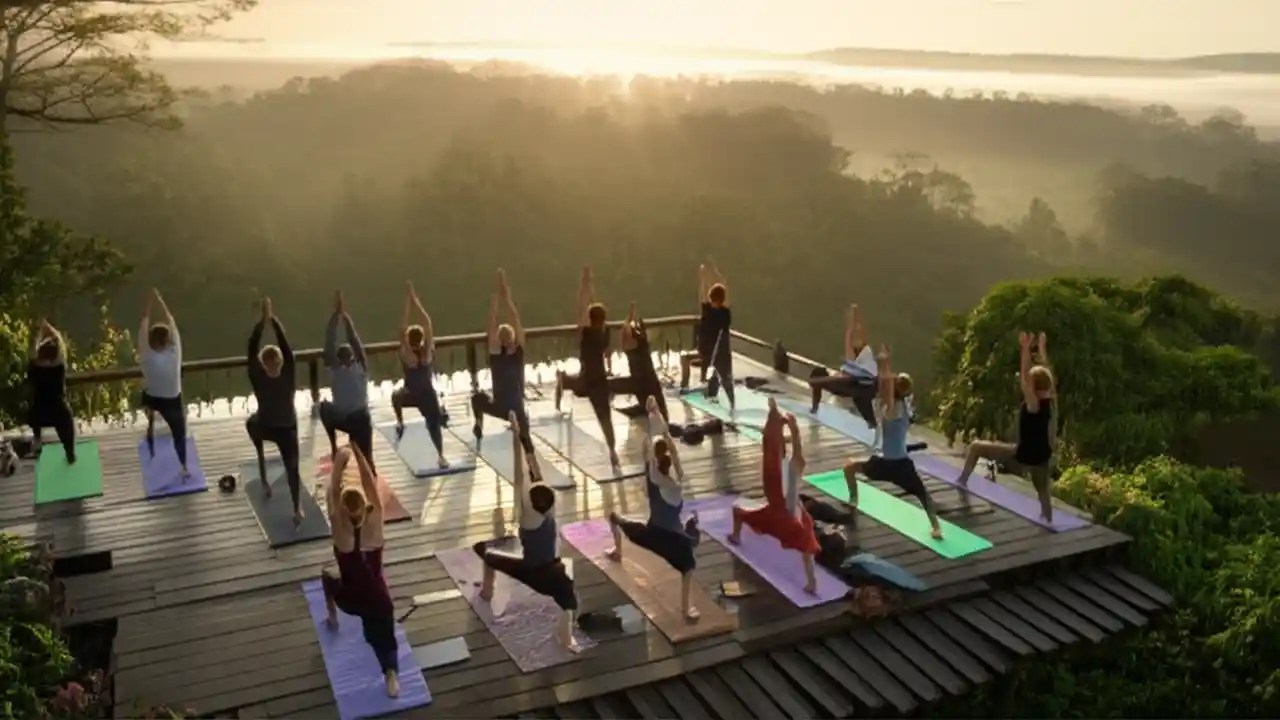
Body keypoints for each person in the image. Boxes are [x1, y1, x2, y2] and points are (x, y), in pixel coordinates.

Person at [474, 412, 580, 650]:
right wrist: (522, 435)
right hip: (554, 575)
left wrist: (515, 436)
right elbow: (535, 476)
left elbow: (519, 473)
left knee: (489, 556)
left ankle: (487, 591)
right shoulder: (550, 508)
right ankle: (566, 639)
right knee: (569, 602)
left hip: (530, 571)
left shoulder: (526, 515)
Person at [606, 396, 700, 620]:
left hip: (653, 534)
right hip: (675, 540)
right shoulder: (677, 483)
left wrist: (652, 417)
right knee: (688, 569)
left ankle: (617, 550)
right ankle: (687, 608)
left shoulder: (653, 477)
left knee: (614, 517)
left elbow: (646, 450)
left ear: (656, 462)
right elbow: (674, 457)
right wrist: (663, 429)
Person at [321, 442, 400, 698]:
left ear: (343, 510)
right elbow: (368, 480)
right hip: (378, 600)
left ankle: (332, 615)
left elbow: (333, 490)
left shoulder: (338, 527)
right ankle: (391, 676)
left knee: (327, 577)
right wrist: (359, 451)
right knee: (382, 640)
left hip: (350, 598)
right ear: (366, 506)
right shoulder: (375, 520)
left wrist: (340, 462)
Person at [841, 345, 943, 539]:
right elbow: (886, 385)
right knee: (924, 495)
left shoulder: (892, 407)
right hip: (902, 464)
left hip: (887, 464)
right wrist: (885, 362)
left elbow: (886, 385)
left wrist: (885, 361)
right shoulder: (905, 406)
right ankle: (936, 527)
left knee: (848, 468)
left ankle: (854, 500)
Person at [956, 331, 1057, 523]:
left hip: (1024, 454)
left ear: (1034, 386)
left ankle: (962, 481)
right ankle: (1048, 519)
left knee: (976, 447)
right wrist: (1042, 349)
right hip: (1042, 455)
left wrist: (1025, 350)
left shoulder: (1033, 403)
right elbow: (1045, 373)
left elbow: (1026, 378)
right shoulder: (1050, 398)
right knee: (1043, 491)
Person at [728, 398, 820, 594]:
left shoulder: (777, 468)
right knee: (806, 549)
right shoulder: (793, 466)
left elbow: (770, 444)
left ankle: (736, 536)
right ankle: (811, 583)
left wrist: (778, 419)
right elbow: (792, 450)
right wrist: (792, 429)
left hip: (781, 517)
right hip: (797, 517)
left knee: (738, 512)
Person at [472, 269, 542, 481]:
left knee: (477, 399)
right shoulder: (518, 352)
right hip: (516, 404)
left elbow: (490, 328)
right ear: (511, 338)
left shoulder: (496, 354)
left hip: (501, 405)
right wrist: (507, 299)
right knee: (525, 437)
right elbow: (516, 320)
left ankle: (479, 424)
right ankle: (534, 471)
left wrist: (494, 304)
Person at [554, 265, 619, 470]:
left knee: (562, 379)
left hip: (585, 381)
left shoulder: (586, 334)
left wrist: (584, 286)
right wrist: (590, 286)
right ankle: (612, 451)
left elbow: (582, 309)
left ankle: (557, 407)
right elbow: (593, 310)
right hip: (598, 381)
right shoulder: (604, 333)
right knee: (605, 419)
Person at [245, 297, 303, 527]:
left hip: (268, 427)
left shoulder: (258, 377)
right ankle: (297, 508)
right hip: (285, 428)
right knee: (292, 469)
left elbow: (251, 347)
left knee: (251, 423)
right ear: (279, 362)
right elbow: (287, 349)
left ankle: (265, 478)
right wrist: (273, 321)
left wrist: (263, 321)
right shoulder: (287, 374)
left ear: (263, 363)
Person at [391, 282, 448, 469]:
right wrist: (416, 302)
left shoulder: (407, 353)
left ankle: (400, 421)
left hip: (411, 394)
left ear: (409, 339)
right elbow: (428, 323)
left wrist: (407, 302)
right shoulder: (428, 352)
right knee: (433, 426)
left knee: (395, 397)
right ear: (422, 338)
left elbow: (402, 329)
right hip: (427, 395)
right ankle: (441, 456)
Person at [319, 291, 374, 472]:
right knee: (368, 460)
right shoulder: (361, 367)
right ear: (351, 358)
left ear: (339, 359)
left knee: (324, 407)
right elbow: (354, 340)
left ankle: (335, 446)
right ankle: (368, 468)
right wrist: (345, 317)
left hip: (347, 419)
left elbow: (329, 340)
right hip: (360, 419)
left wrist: (337, 315)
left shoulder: (335, 370)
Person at [139, 288, 189, 477]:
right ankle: (183, 466)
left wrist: (150, 302)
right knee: (179, 435)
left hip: (151, 395)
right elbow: (172, 322)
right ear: (168, 340)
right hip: (171, 399)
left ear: (151, 340)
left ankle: (151, 418)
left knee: (147, 399)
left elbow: (143, 319)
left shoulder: (146, 354)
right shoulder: (175, 353)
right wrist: (161, 301)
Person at [808, 303, 878, 429]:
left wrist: (855, 320)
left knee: (860, 397)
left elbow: (857, 373)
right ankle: (815, 407)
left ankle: (871, 423)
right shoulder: (855, 351)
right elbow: (851, 336)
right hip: (848, 384)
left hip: (859, 387)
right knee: (818, 373)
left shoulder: (865, 352)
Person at [680, 262, 734, 410]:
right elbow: (704, 295)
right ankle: (686, 386)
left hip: (713, 352)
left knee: (721, 380)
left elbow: (722, 290)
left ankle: (727, 402)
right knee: (686, 358)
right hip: (706, 350)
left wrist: (712, 275)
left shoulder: (722, 313)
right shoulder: (711, 310)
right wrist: (705, 279)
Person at [610, 302, 669, 421]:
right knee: (658, 410)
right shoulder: (636, 345)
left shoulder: (631, 346)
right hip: (646, 381)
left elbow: (625, 331)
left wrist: (630, 316)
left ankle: (645, 410)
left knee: (656, 409)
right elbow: (626, 331)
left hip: (644, 381)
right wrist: (631, 317)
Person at [27, 320, 76, 464]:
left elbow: (32, 351)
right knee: (68, 424)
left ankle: (37, 440)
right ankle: (70, 452)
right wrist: (50, 330)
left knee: (34, 415)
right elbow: (61, 345)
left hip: (39, 410)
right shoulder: (58, 368)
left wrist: (38, 335)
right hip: (58, 409)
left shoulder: (34, 367)